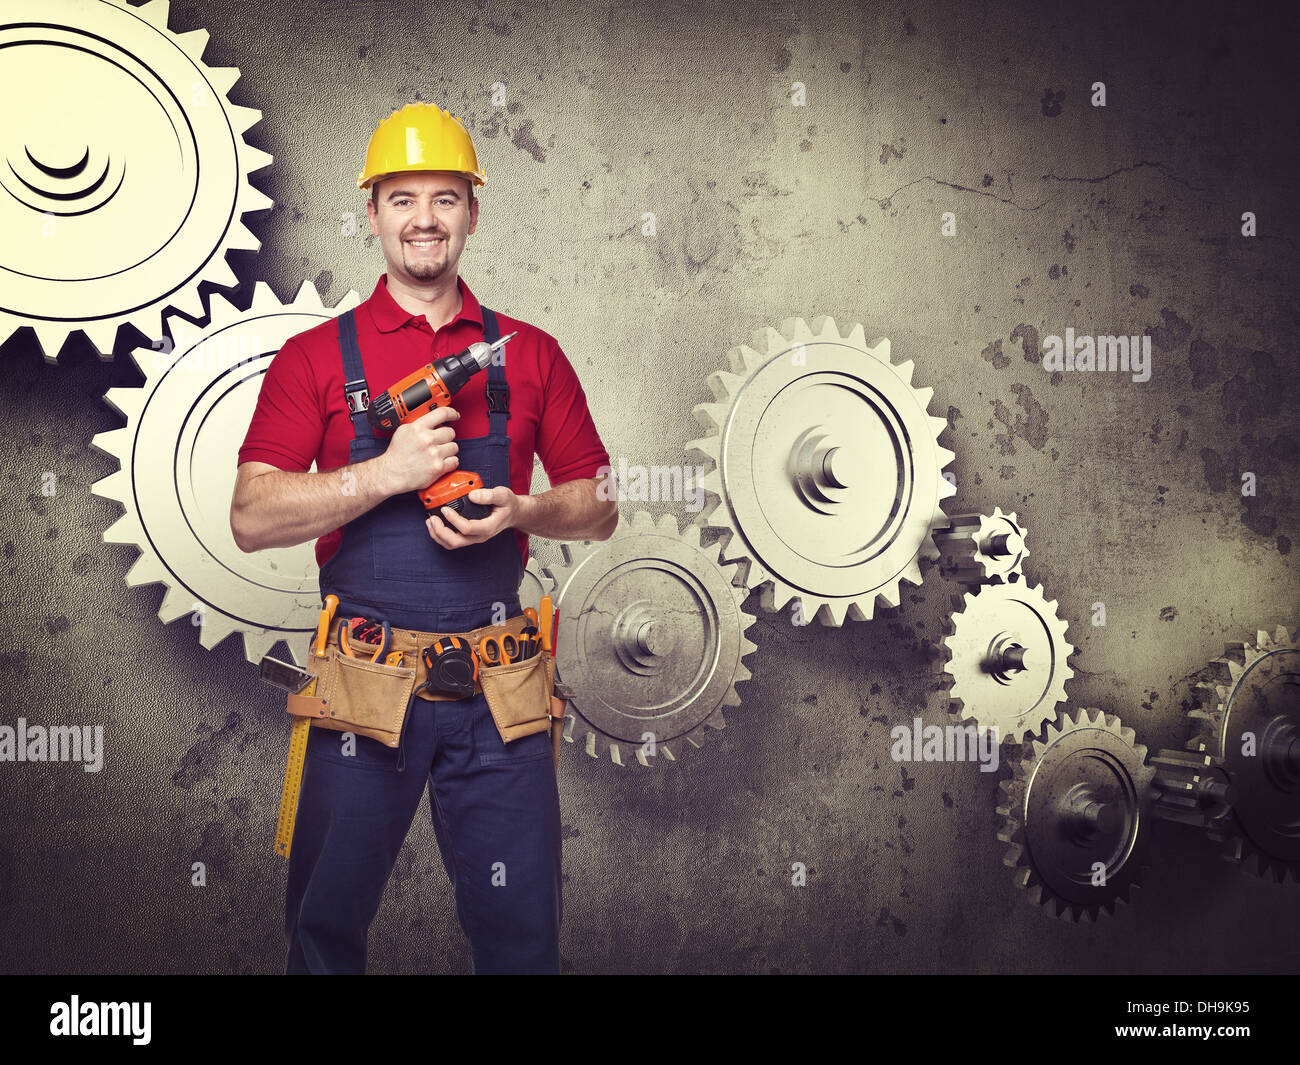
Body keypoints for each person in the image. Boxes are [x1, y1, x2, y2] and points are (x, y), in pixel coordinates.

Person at [230, 102, 617, 974]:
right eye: (402, 199)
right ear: (372, 213)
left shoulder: (532, 353)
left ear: (472, 211)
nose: (424, 219)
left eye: (444, 198)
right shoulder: (313, 358)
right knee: (323, 938)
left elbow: (599, 505)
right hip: (361, 685)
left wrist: (522, 511)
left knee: (524, 945)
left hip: (500, 689)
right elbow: (251, 516)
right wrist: (384, 474)